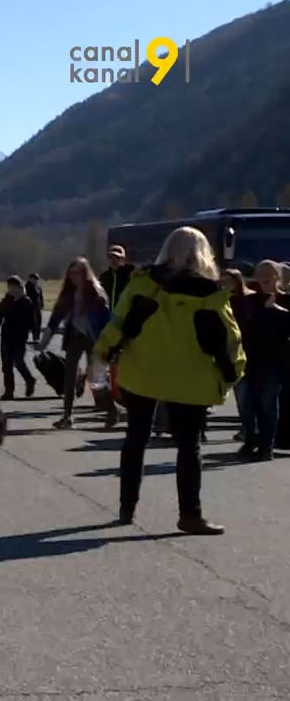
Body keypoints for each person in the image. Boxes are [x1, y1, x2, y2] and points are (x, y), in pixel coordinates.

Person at [94, 226, 244, 535]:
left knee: (136, 439)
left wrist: (105, 353)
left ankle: (127, 507)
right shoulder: (212, 295)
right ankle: (190, 514)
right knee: (189, 447)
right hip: (191, 378)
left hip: (143, 372)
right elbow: (230, 340)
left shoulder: (143, 285)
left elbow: (118, 323)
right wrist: (232, 373)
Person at [39, 257, 111, 430]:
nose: (74, 276)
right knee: (69, 377)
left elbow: (107, 319)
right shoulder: (68, 293)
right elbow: (56, 317)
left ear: (85, 272)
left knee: (97, 379)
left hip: (94, 339)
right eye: (71, 273)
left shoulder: (95, 291)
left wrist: (109, 342)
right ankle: (67, 416)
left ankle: (112, 410)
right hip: (75, 337)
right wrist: (44, 342)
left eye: (78, 272)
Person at [235, 260, 290, 461]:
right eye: (260, 274)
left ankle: (266, 446)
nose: (264, 278)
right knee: (246, 404)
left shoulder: (285, 300)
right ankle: (251, 440)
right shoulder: (249, 300)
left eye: (269, 274)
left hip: (273, 361)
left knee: (267, 403)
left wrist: (275, 309)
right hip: (247, 359)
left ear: (278, 276)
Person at [223, 268, 257, 443]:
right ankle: (248, 428)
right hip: (233, 353)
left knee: (246, 396)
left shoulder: (247, 299)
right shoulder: (222, 300)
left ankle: (250, 430)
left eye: (227, 280)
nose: (224, 284)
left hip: (248, 352)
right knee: (241, 395)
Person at [0, 275, 37, 400]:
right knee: (6, 365)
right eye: (9, 286)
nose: (10, 289)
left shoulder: (26, 302)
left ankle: (29, 379)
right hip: (6, 336)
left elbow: (32, 321)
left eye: (13, 286)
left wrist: (35, 336)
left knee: (18, 361)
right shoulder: (5, 301)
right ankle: (9, 391)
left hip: (20, 336)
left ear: (19, 286)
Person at [99, 244, 136, 310]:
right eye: (111, 257)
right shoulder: (104, 277)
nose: (113, 260)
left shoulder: (132, 275)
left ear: (123, 259)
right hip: (108, 315)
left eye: (117, 257)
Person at [25, 273, 45, 342]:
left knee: (38, 322)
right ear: (30, 279)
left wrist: (42, 304)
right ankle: (25, 338)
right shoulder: (26, 287)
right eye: (34, 279)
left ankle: (36, 338)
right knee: (31, 324)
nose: (36, 280)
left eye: (37, 279)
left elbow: (41, 296)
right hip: (30, 308)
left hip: (37, 307)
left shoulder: (38, 287)